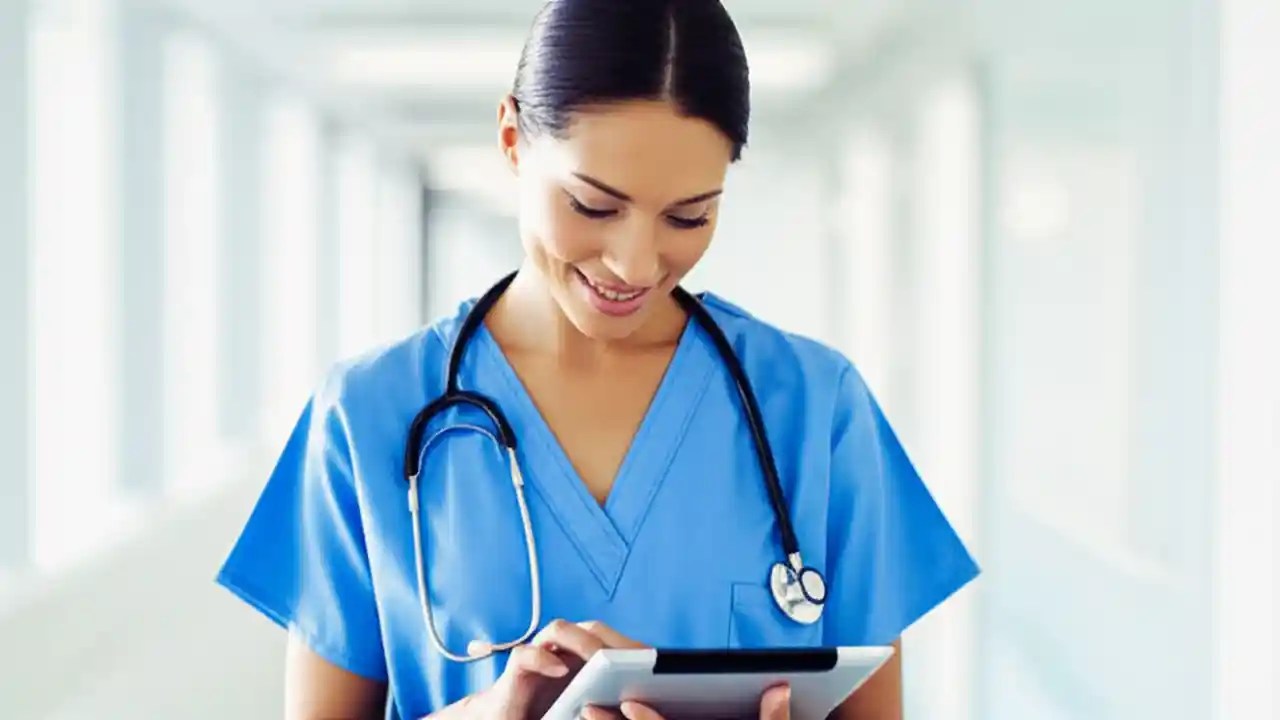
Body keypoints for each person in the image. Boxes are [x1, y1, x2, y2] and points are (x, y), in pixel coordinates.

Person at [215, 0, 979, 718]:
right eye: (594, 206)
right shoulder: (371, 413)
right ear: (512, 140)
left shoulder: (816, 409)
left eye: (689, 215)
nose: (635, 263)